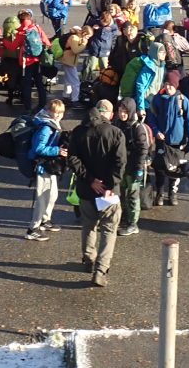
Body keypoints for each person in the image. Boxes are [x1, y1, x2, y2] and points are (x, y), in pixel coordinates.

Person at [67, 99, 126, 287]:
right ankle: (101, 270)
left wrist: (90, 180)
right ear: (109, 114)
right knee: (109, 229)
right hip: (109, 192)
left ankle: (88, 258)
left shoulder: (78, 132)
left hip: (86, 189)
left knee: (88, 225)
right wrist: (109, 185)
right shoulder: (115, 133)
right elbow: (120, 163)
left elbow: (73, 159)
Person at [146, 73, 189, 206]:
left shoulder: (183, 100)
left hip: (178, 143)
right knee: (160, 168)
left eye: (171, 85)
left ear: (176, 86)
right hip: (162, 142)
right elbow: (151, 118)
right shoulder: (157, 99)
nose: (168, 87)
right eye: (166, 84)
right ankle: (160, 193)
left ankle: (172, 193)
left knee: (176, 169)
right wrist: (156, 132)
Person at [24, 99, 67, 241]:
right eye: (55, 112)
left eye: (61, 112)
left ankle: (45, 220)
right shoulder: (46, 128)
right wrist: (57, 151)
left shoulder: (51, 123)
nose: (58, 115)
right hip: (42, 167)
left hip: (49, 166)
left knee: (52, 195)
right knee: (42, 198)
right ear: (49, 111)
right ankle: (32, 229)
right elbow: (38, 148)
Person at [114, 97, 151, 236]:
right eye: (120, 110)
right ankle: (125, 218)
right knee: (122, 193)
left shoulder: (137, 128)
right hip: (121, 166)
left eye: (125, 111)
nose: (122, 114)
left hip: (133, 167)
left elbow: (143, 149)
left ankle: (133, 224)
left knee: (132, 195)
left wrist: (139, 169)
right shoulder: (117, 124)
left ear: (131, 111)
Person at [3, 10, 52, 113]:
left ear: (20, 21)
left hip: (27, 62)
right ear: (30, 18)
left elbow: (12, 47)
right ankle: (42, 104)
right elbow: (47, 42)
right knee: (39, 83)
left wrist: (4, 41)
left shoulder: (22, 33)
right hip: (38, 60)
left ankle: (27, 107)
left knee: (27, 85)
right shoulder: (37, 28)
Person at [59, 26, 92, 104]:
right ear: (84, 33)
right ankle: (75, 99)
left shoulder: (78, 37)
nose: (88, 38)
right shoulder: (74, 37)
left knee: (68, 80)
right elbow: (75, 50)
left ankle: (66, 96)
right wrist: (84, 44)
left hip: (68, 61)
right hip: (69, 61)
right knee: (75, 81)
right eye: (88, 36)